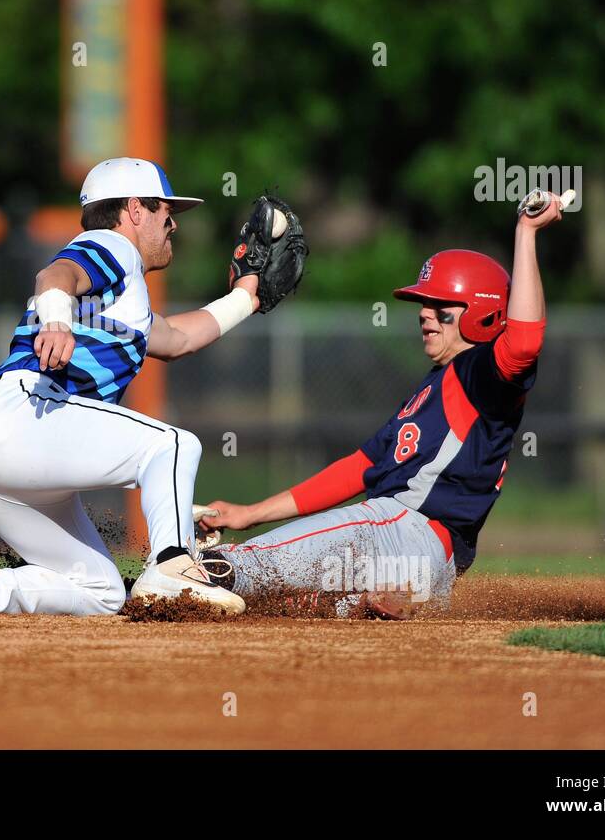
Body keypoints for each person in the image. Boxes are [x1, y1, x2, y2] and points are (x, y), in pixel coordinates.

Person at [0, 157, 303, 619]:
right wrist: (58, 322)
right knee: (173, 445)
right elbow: (56, 275)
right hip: (24, 418)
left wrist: (247, 297)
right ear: (134, 210)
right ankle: (172, 566)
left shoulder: (123, 300)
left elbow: (180, 339)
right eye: (167, 212)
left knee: (101, 592)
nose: (173, 226)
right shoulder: (111, 244)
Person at [198, 190, 566, 619]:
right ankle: (393, 595)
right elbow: (358, 468)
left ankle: (193, 576)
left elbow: (523, 342)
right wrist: (250, 513)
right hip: (417, 556)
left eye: (440, 304)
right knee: (287, 607)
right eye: (423, 304)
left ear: (482, 313)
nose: (425, 313)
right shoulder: (431, 390)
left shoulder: (480, 375)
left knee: (238, 569)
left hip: (403, 530)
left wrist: (526, 232)